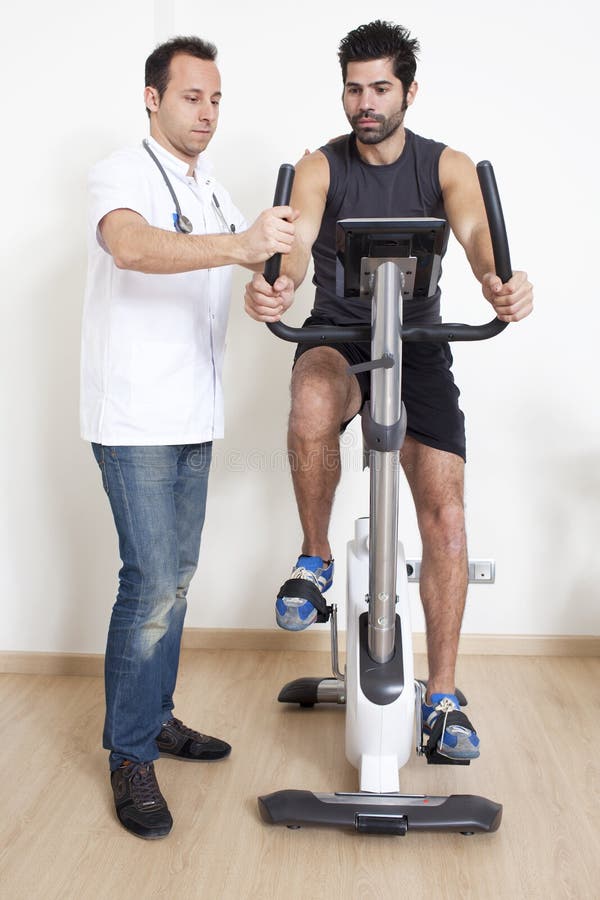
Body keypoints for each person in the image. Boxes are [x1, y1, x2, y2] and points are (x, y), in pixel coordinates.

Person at [244, 21, 533, 762]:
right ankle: (316, 560)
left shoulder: (445, 164)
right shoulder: (321, 165)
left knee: (447, 517)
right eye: (353, 87)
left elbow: (474, 232)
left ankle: (439, 698)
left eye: (379, 88)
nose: (364, 102)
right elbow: (300, 235)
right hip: (339, 336)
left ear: (408, 90)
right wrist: (278, 284)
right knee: (310, 401)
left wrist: (498, 276)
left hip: (421, 347)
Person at [80, 35, 296, 840]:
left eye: (214, 100)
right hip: (134, 419)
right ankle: (129, 753)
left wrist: (273, 281)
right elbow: (130, 246)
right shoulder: (122, 171)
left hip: (193, 418)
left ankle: (156, 717)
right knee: (151, 579)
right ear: (152, 98)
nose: (205, 112)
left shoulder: (213, 190)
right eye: (190, 97)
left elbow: (269, 260)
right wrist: (243, 247)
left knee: (177, 579)